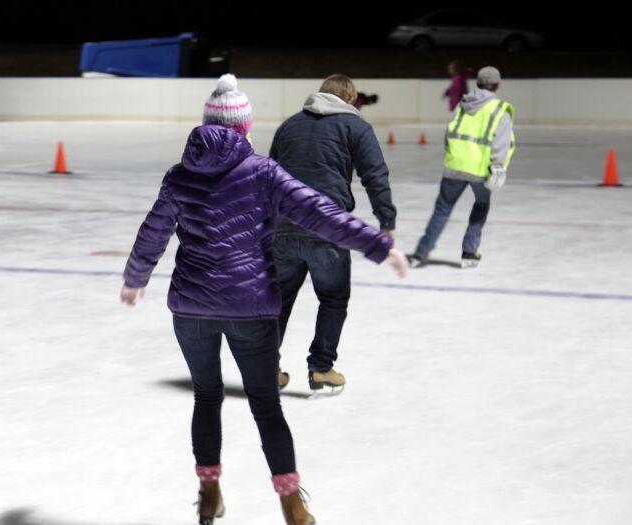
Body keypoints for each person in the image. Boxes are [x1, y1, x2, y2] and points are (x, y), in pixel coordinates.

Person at [120, 74, 407, 525]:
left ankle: (209, 493)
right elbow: (320, 213)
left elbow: (153, 231)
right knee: (265, 405)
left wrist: (135, 278)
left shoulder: (180, 175)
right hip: (249, 306)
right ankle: (292, 505)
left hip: (191, 306)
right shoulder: (263, 173)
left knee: (206, 397)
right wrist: (376, 243)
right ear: (245, 128)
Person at [268, 74, 397, 394]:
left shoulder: (289, 126)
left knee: (278, 301)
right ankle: (321, 368)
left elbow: (268, 175)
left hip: (283, 226)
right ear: (351, 99)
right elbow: (375, 175)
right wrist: (386, 221)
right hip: (328, 228)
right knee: (333, 298)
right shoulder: (357, 127)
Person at [409, 66, 516, 269]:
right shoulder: (499, 109)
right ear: (497, 84)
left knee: (442, 210)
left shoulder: (462, 104)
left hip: (455, 165)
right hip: (480, 170)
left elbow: (450, 132)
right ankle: (469, 253)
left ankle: (419, 254)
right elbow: (502, 142)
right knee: (481, 205)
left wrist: (452, 156)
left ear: (478, 83)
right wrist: (497, 166)